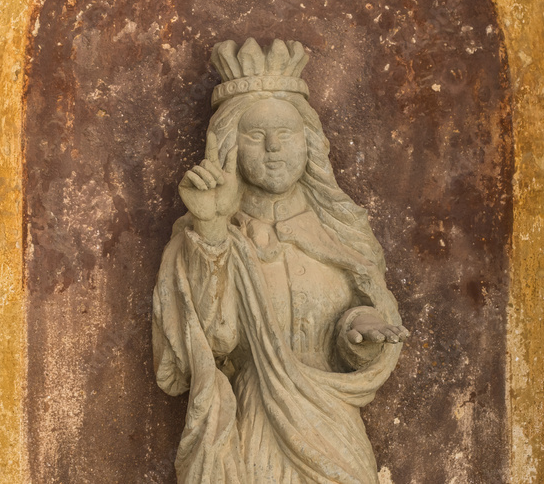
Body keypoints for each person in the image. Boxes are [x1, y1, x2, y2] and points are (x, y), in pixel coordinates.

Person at [152, 39, 409, 484]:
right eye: (256, 135)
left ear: (309, 142)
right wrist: (211, 229)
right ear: (230, 146)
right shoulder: (206, 233)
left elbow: (360, 309)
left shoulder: (340, 227)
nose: (273, 147)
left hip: (333, 421)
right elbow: (215, 342)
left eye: (286, 134)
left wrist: (362, 330)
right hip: (261, 421)